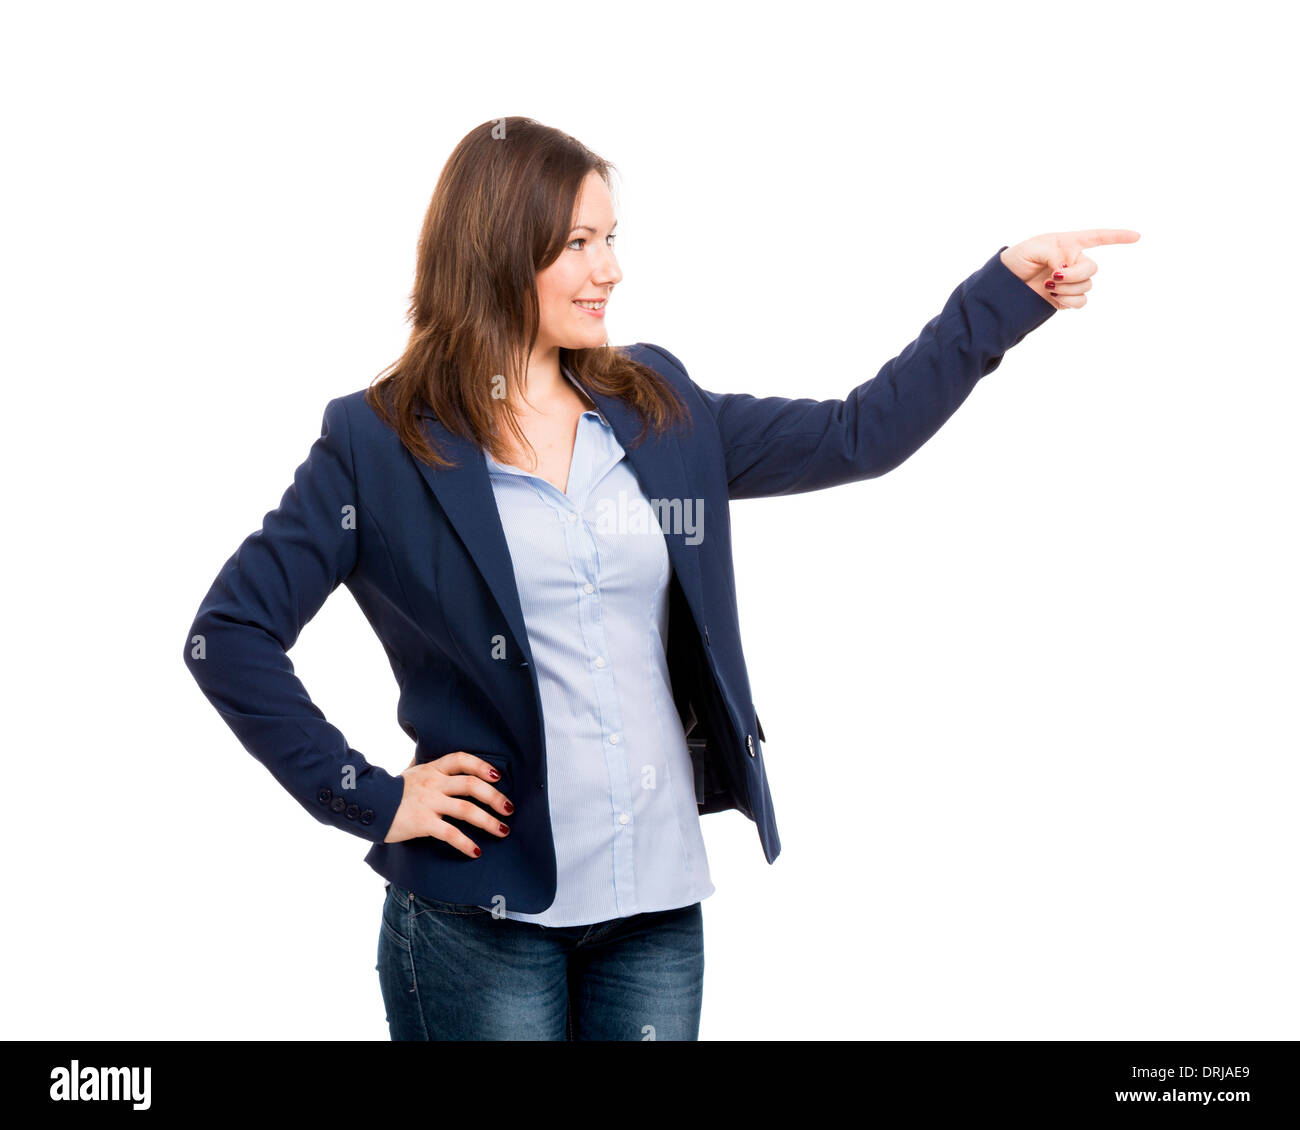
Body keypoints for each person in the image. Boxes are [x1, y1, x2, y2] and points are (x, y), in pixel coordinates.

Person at [183, 115, 1138, 1040]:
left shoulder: (655, 404)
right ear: (496, 252)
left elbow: (861, 434)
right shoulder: (379, 441)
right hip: (485, 917)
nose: (611, 267)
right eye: (578, 242)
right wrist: (370, 796)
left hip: (656, 906)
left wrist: (1003, 295)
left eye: (612, 237)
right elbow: (230, 633)